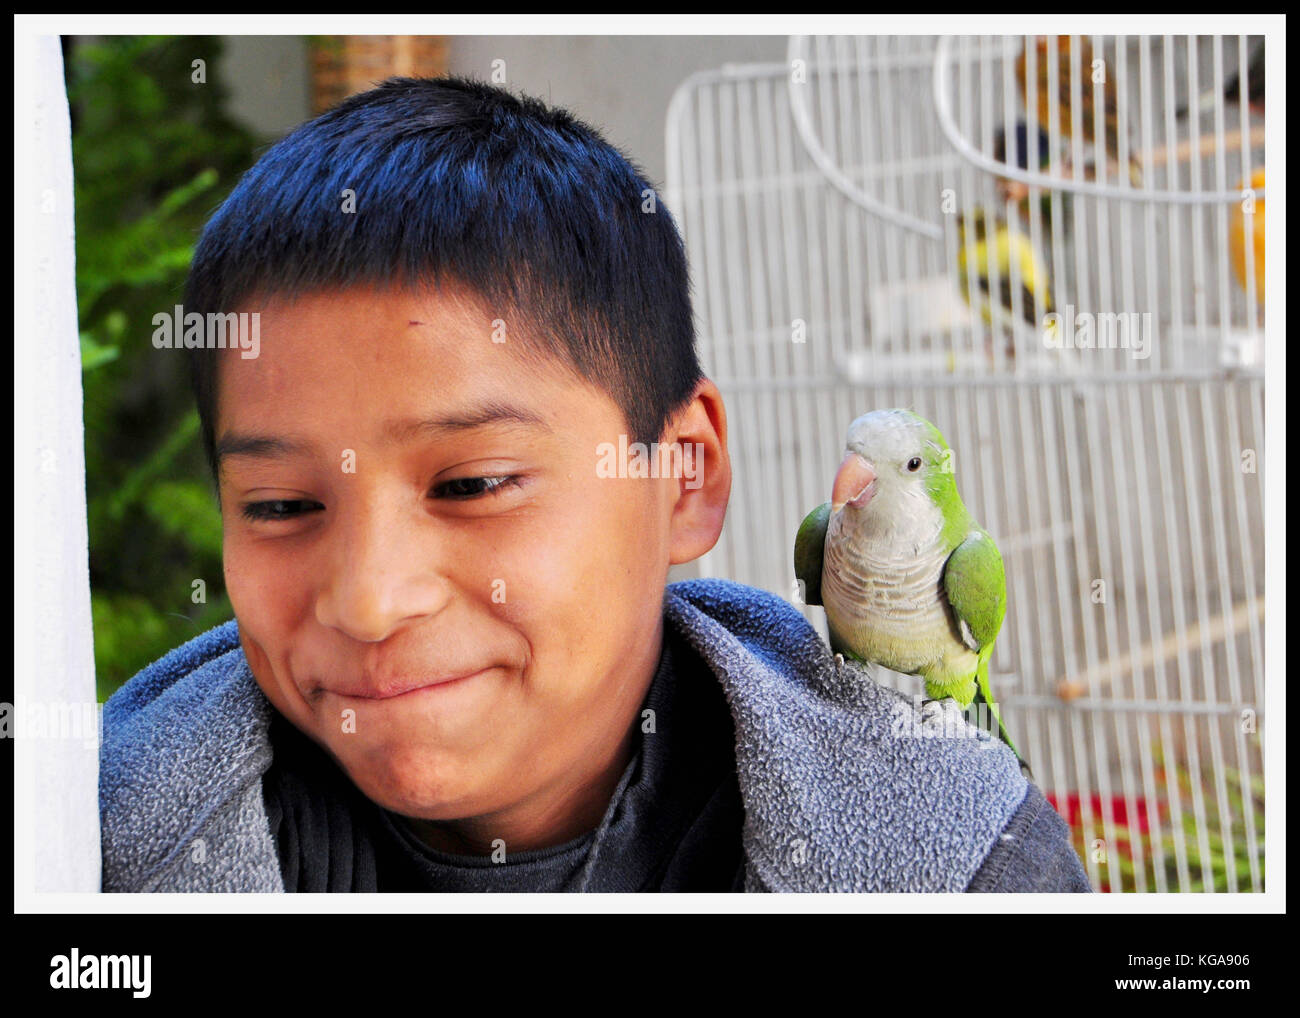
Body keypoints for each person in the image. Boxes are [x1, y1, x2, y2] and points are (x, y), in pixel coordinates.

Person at [99, 77, 1090, 893]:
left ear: (684, 475)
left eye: (474, 484)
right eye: (281, 506)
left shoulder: (955, 853)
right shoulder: (103, 840)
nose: (367, 598)